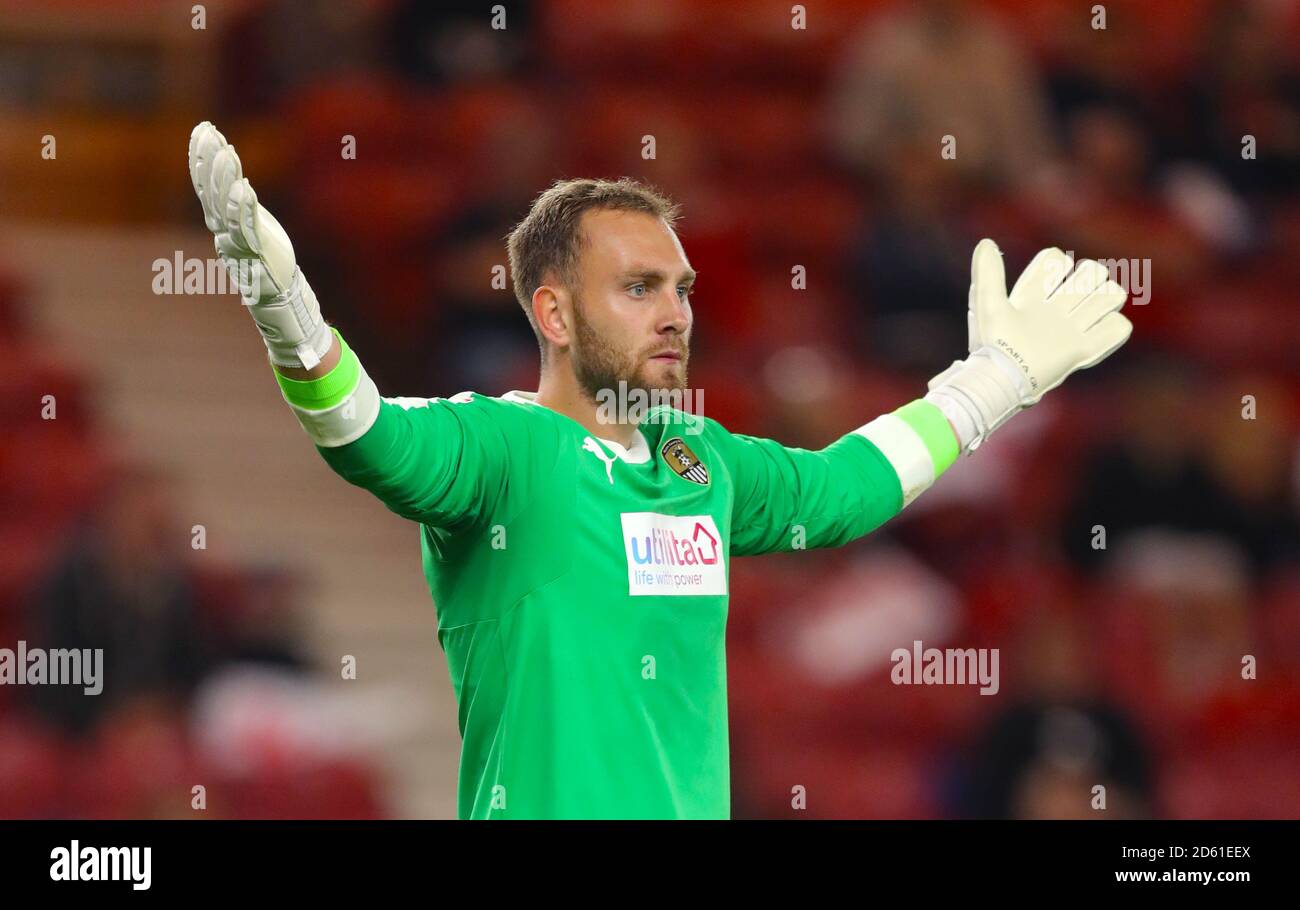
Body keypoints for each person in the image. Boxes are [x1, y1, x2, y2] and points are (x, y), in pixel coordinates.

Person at [187, 122, 1133, 819]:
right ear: (553, 316)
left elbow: (839, 493)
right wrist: (294, 324)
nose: (676, 313)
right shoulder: (503, 452)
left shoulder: (698, 460)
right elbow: (372, 442)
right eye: (639, 289)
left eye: (681, 288)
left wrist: (993, 380)